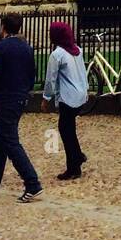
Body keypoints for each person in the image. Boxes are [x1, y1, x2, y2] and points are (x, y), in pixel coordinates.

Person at [0, 15, 43, 204]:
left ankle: (32, 183)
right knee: (1, 143)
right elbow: (32, 74)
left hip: (5, 98)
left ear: (3, 27)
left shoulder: (1, 48)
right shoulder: (27, 47)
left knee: (10, 142)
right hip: (20, 97)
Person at [41, 22, 89, 182]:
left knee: (65, 130)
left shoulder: (57, 55)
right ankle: (78, 156)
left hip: (68, 97)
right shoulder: (78, 50)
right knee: (69, 128)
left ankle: (73, 167)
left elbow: (50, 79)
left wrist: (46, 98)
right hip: (80, 94)